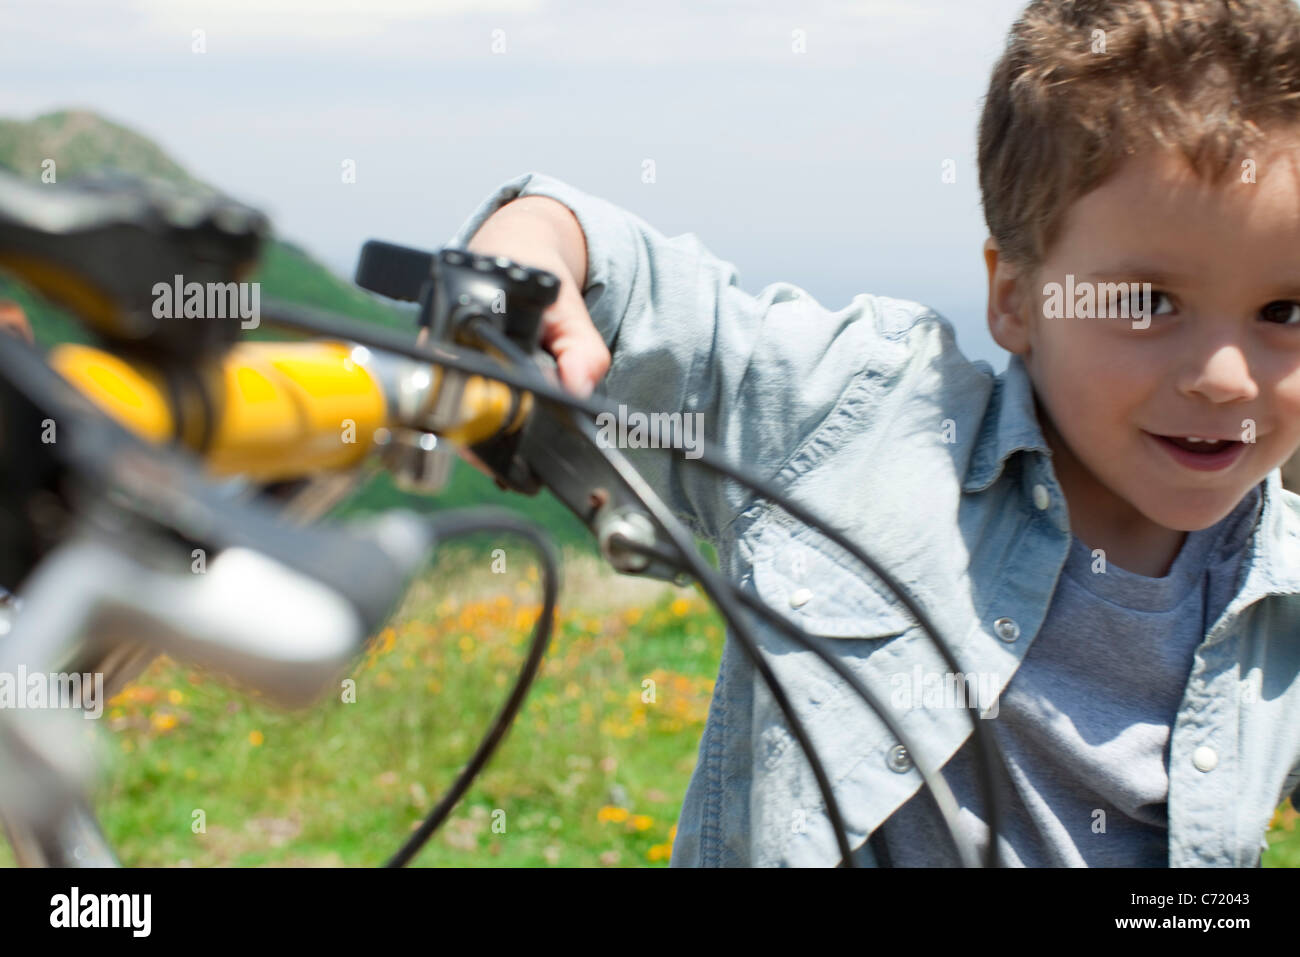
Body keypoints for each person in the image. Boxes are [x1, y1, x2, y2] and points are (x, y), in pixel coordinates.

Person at [447, 0, 1300, 866]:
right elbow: (621, 273)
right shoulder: (864, 418)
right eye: (1146, 302)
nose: (1225, 376)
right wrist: (514, 273)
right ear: (1014, 297)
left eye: (1285, 309)